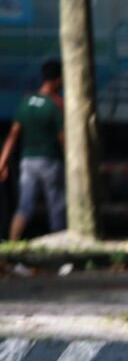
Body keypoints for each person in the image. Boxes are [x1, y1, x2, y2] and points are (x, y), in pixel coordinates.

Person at [0, 60, 64, 240]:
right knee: (56, 208)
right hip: (51, 161)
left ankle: (12, 248)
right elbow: (63, 139)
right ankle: (61, 255)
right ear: (57, 80)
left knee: (24, 207)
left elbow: (13, 135)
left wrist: (2, 162)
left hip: (27, 163)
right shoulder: (56, 105)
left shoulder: (25, 102)